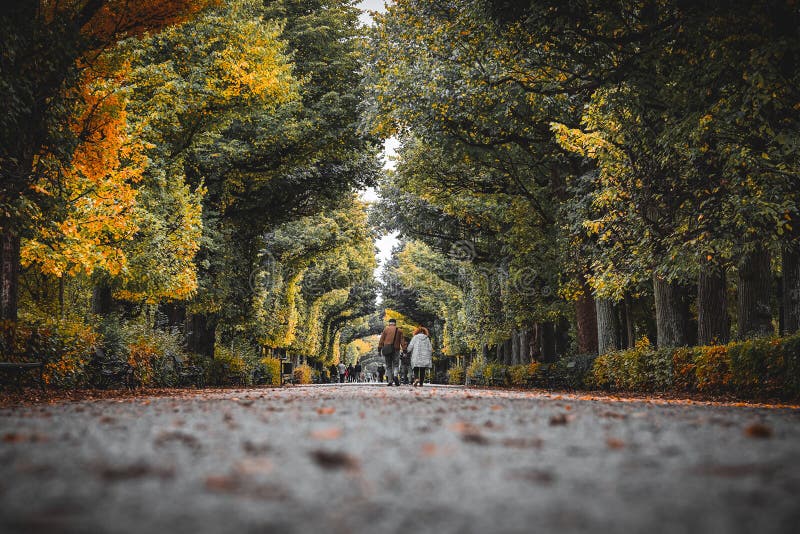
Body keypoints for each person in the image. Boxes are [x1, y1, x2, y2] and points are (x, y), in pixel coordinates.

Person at [377, 318, 406, 386]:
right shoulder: (399, 330)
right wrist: (404, 350)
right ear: (395, 323)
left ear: (389, 323)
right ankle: (395, 375)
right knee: (396, 364)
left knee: (388, 366)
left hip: (387, 349)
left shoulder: (386, 329)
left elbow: (381, 340)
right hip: (396, 349)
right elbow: (402, 341)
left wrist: (379, 350)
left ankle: (390, 381)